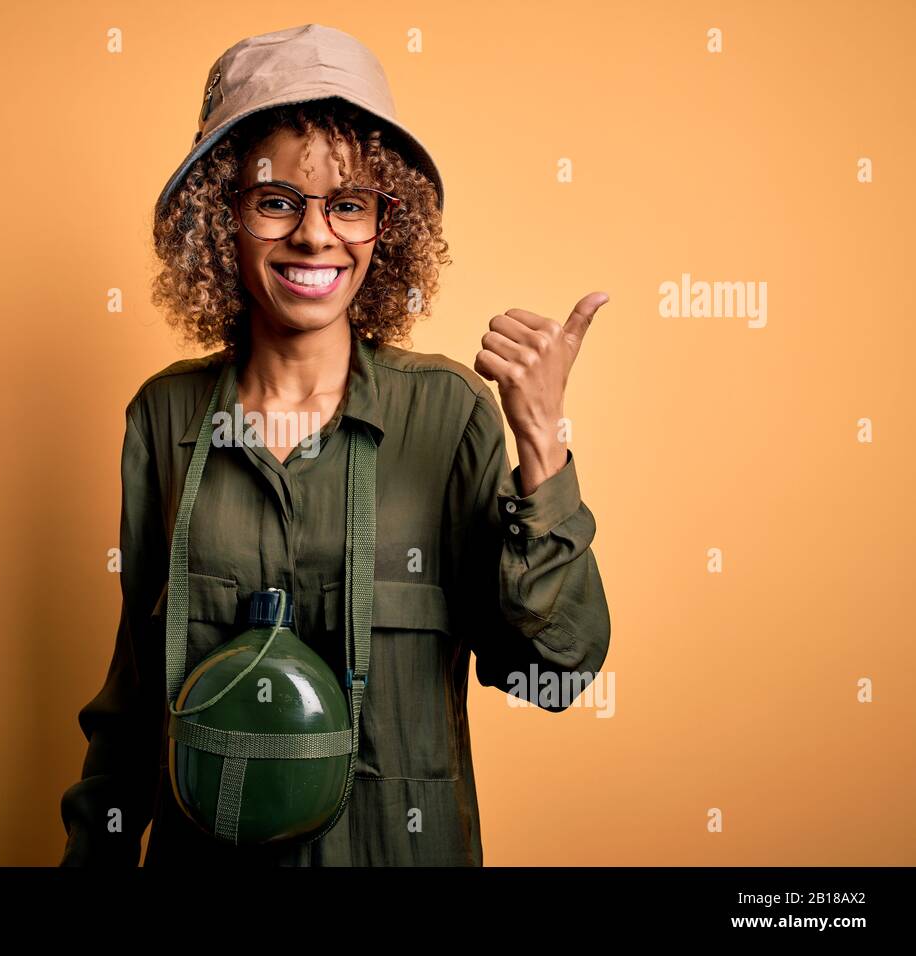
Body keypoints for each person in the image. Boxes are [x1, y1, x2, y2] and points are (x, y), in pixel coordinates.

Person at [59, 23, 611, 867]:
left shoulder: (449, 416)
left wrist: (541, 440)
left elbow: (557, 672)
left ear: (386, 224)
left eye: (348, 203)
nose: (316, 236)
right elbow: (133, 710)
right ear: (222, 215)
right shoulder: (163, 420)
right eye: (276, 199)